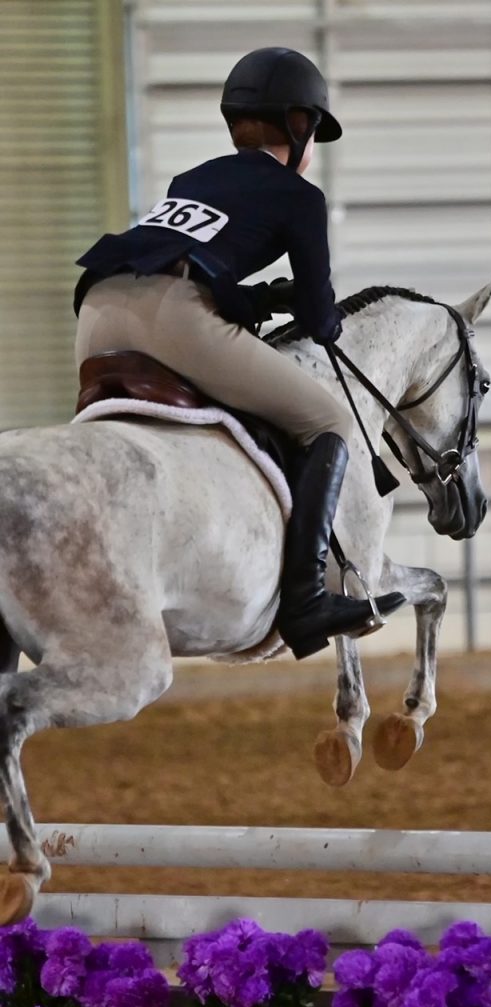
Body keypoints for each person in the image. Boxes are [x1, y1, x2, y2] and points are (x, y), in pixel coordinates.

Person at [73, 46, 405, 660]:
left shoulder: (192, 179)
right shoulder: (299, 197)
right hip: (170, 317)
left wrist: (255, 299)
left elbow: (201, 268)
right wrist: (314, 310)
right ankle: (307, 601)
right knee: (329, 421)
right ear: (300, 125)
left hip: (96, 314)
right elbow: (317, 319)